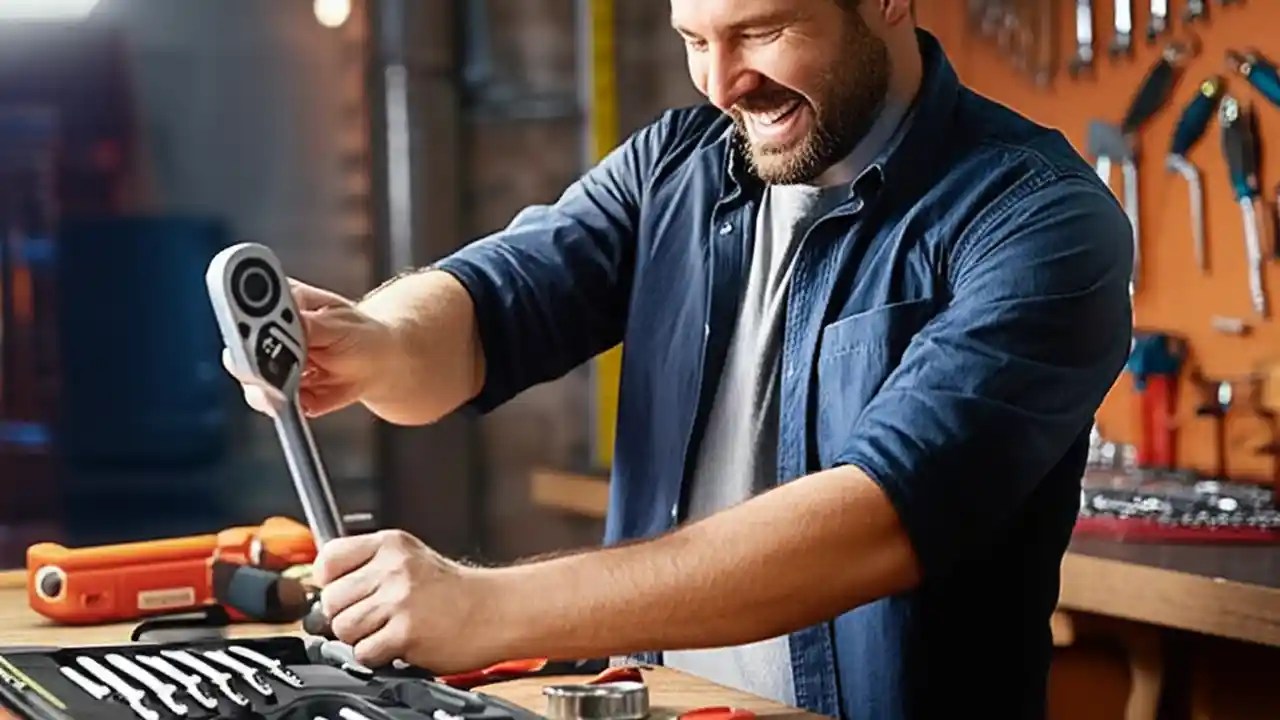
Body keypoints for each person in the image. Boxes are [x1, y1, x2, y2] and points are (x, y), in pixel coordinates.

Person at [226, 1, 1134, 718]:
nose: (723, 83)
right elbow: (488, 308)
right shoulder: (677, 166)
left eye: (763, 32)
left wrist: (485, 608)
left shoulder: (1038, 219)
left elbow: (882, 518)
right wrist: (374, 341)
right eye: (695, 38)